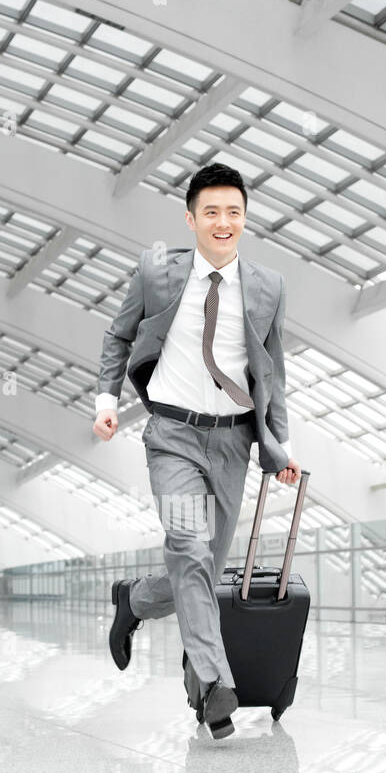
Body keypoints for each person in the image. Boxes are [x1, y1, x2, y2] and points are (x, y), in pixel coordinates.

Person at [93, 162, 301, 740]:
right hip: (173, 440)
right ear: (191, 219)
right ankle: (212, 685)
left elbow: (272, 374)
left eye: (233, 211)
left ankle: (133, 601)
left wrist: (277, 446)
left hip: (233, 441)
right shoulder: (159, 275)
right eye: (211, 211)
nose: (223, 222)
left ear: (245, 219)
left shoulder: (268, 287)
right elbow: (119, 333)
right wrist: (105, 401)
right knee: (187, 547)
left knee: (203, 571)